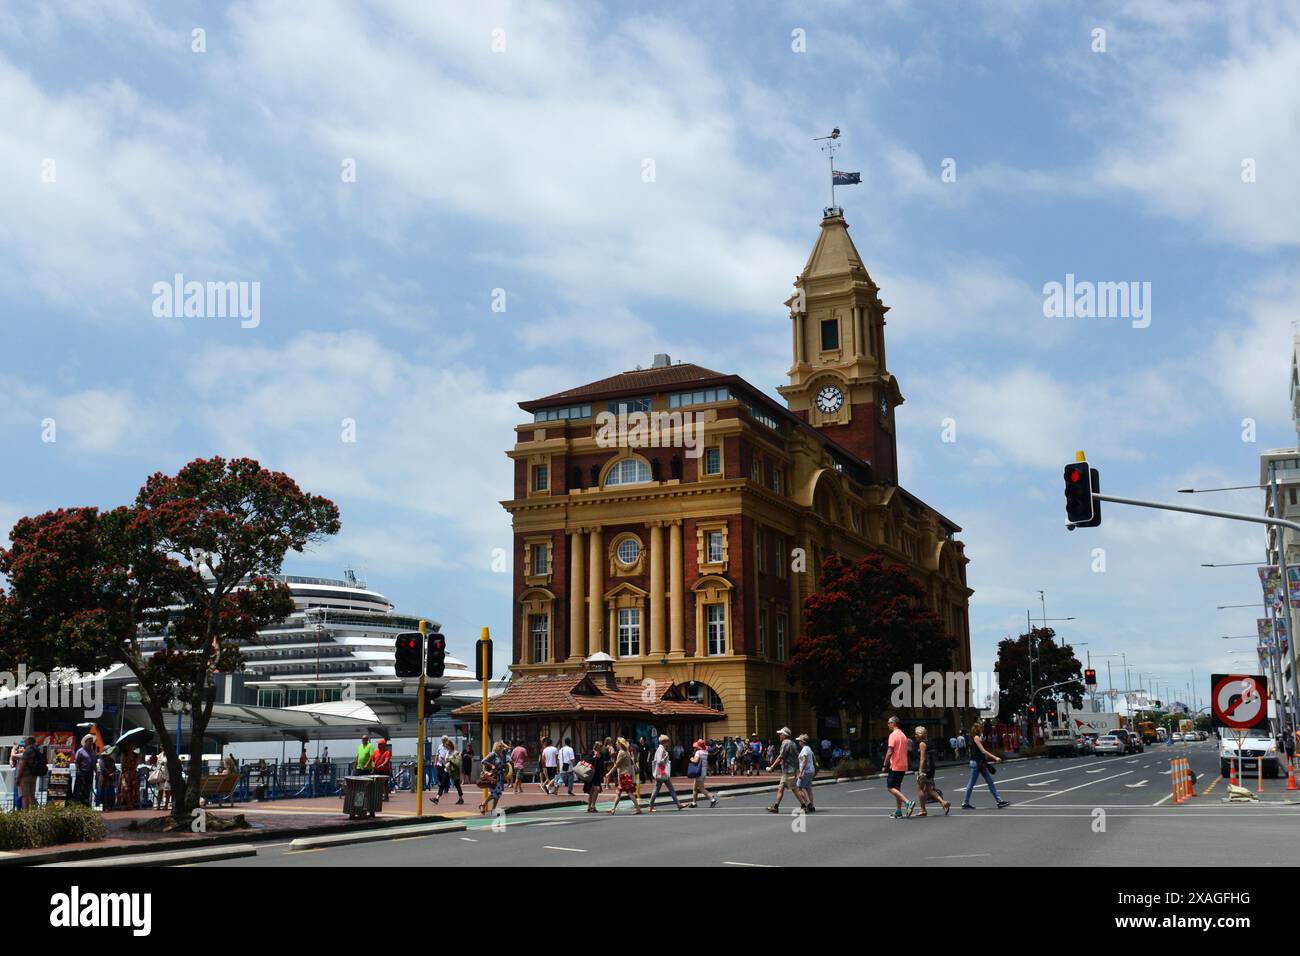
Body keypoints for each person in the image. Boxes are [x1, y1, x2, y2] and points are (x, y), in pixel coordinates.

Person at [962, 721, 1008, 809]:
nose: (982, 729)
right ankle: (965, 802)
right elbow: (983, 751)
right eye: (981, 728)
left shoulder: (975, 737)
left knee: (989, 781)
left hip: (979, 762)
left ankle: (999, 801)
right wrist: (995, 757)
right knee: (971, 783)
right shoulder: (976, 738)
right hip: (976, 763)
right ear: (978, 729)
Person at [765, 727, 808, 813]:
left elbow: (780, 757)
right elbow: (796, 756)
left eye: (781, 734)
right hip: (788, 770)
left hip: (789, 770)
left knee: (794, 789)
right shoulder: (792, 743)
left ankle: (804, 805)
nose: (779, 735)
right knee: (781, 788)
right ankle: (776, 806)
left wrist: (772, 767)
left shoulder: (786, 743)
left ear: (784, 735)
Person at [914, 727, 950, 816]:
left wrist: (920, 770)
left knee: (920, 789)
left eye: (916, 734)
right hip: (931, 768)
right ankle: (943, 802)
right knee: (930, 790)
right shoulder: (929, 742)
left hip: (925, 769)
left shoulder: (922, 744)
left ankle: (923, 810)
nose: (915, 736)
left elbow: (922, 759)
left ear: (919, 735)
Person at [883, 716, 915, 818]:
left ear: (894, 723)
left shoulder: (893, 735)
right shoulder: (903, 735)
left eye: (889, 722)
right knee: (897, 788)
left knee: (890, 787)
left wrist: (885, 764)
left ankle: (908, 802)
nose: (888, 724)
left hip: (895, 765)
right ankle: (898, 811)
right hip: (903, 765)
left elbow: (890, 751)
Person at [605, 738, 642, 814]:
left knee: (629, 793)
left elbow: (616, 765)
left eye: (616, 743)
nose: (615, 745)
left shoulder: (621, 752)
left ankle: (638, 809)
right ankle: (613, 809)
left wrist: (609, 773)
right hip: (625, 775)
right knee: (618, 793)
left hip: (624, 775)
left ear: (620, 744)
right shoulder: (626, 751)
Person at [648, 734, 683, 811]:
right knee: (657, 790)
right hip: (661, 772)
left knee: (670, 789)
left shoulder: (662, 749)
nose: (668, 743)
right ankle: (650, 806)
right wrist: (665, 757)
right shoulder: (660, 750)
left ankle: (678, 804)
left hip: (663, 772)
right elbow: (659, 761)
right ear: (665, 742)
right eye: (668, 741)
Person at [478, 741, 509, 814]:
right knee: (495, 793)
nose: (502, 748)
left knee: (498, 794)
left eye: (501, 747)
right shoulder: (493, 754)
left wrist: (503, 743)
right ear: (496, 747)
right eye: (500, 747)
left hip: (500, 777)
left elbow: (508, 748)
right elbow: (483, 761)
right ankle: (483, 804)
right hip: (493, 777)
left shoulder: (501, 755)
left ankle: (493, 809)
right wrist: (491, 765)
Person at [687, 738, 718, 809]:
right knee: (694, 788)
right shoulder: (705, 752)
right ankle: (694, 802)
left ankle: (712, 799)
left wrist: (691, 759)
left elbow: (695, 761)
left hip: (699, 771)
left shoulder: (698, 752)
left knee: (701, 788)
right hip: (703, 770)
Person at [16, 736, 43, 810]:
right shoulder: (37, 750)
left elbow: (22, 765)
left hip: (25, 776)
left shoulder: (28, 751)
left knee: (25, 796)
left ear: (29, 742)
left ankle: (26, 814)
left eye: (25, 741)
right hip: (34, 775)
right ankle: (33, 813)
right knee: (32, 795)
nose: (24, 742)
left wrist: (18, 778)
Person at [437, 735, 464, 804]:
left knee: (457, 785)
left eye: (447, 746)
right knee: (442, 783)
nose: (446, 748)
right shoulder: (447, 752)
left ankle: (461, 798)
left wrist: (449, 759)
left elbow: (457, 762)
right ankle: (437, 798)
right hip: (447, 770)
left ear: (450, 745)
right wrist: (444, 760)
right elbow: (446, 761)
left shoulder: (456, 752)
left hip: (454, 771)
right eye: (445, 747)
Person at [582, 741, 606, 812]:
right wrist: (594, 757)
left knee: (593, 791)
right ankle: (592, 806)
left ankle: (590, 806)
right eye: (600, 747)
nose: (601, 748)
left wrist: (603, 774)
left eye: (602, 747)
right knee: (595, 789)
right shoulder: (591, 753)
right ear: (597, 746)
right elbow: (586, 760)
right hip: (591, 775)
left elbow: (602, 764)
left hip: (597, 775)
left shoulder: (601, 754)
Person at [72, 735, 96, 806]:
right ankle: (80, 804)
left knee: (88, 788)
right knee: (81, 789)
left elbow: (94, 762)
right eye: (90, 741)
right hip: (82, 772)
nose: (91, 742)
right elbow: (77, 762)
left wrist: (96, 771)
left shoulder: (93, 752)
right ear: (86, 742)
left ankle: (86, 803)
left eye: (92, 741)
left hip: (90, 772)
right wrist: (78, 772)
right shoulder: (80, 751)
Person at [796, 733, 817, 812]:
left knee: (798, 788)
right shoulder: (808, 748)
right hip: (811, 770)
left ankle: (808, 804)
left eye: (799, 740)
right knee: (808, 789)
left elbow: (805, 760)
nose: (799, 742)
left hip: (806, 771)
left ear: (802, 741)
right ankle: (812, 806)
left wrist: (801, 772)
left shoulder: (804, 749)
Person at [119, 743, 141, 810]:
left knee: (134, 788)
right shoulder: (124, 754)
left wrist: (138, 758)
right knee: (126, 788)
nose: (131, 746)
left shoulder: (136, 755)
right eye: (130, 745)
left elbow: (136, 765)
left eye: (133, 745)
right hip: (126, 773)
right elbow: (122, 764)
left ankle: (132, 803)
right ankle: (127, 804)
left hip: (133, 773)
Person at [97, 746, 118, 811]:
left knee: (110, 793)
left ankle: (110, 806)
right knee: (104, 793)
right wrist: (109, 773)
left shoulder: (111, 760)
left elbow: (114, 768)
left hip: (110, 779)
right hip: (104, 778)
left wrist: (113, 773)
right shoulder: (101, 760)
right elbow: (103, 768)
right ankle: (104, 806)